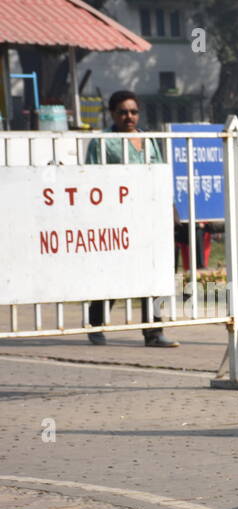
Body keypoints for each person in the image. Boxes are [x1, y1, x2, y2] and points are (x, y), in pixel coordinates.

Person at [84, 90, 178, 347]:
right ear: (112, 113)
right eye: (123, 112)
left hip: (148, 218)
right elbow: (90, 180)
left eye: (133, 112)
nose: (129, 117)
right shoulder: (103, 142)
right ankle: (96, 325)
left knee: (155, 274)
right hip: (116, 219)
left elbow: (159, 175)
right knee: (114, 275)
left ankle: (154, 332)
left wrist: (168, 209)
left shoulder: (147, 140)